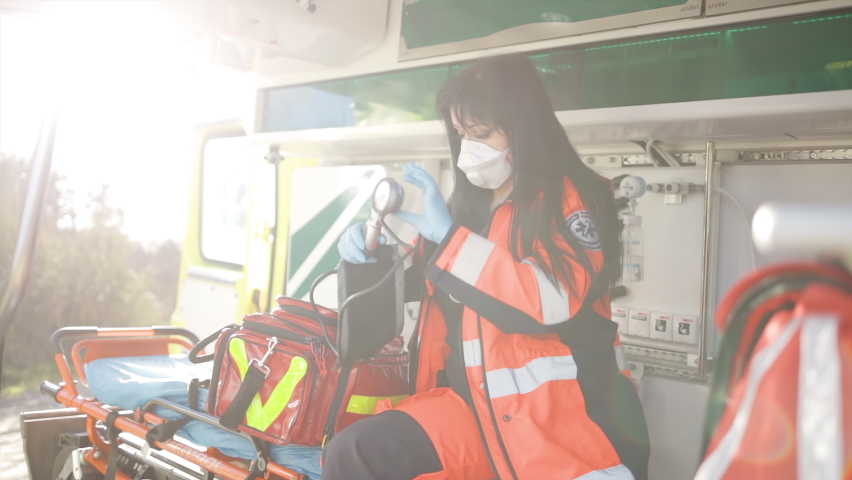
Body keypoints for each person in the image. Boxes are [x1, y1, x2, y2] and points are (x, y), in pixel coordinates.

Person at [325, 53, 650, 480]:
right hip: (472, 408)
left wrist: (449, 241)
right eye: (461, 134)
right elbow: (426, 280)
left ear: (523, 128)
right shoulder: (467, 208)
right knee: (357, 452)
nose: (468, 148)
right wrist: (374, 256)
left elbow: (547, 301)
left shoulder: (574, 199)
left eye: (481, 133)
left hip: (558, 419)